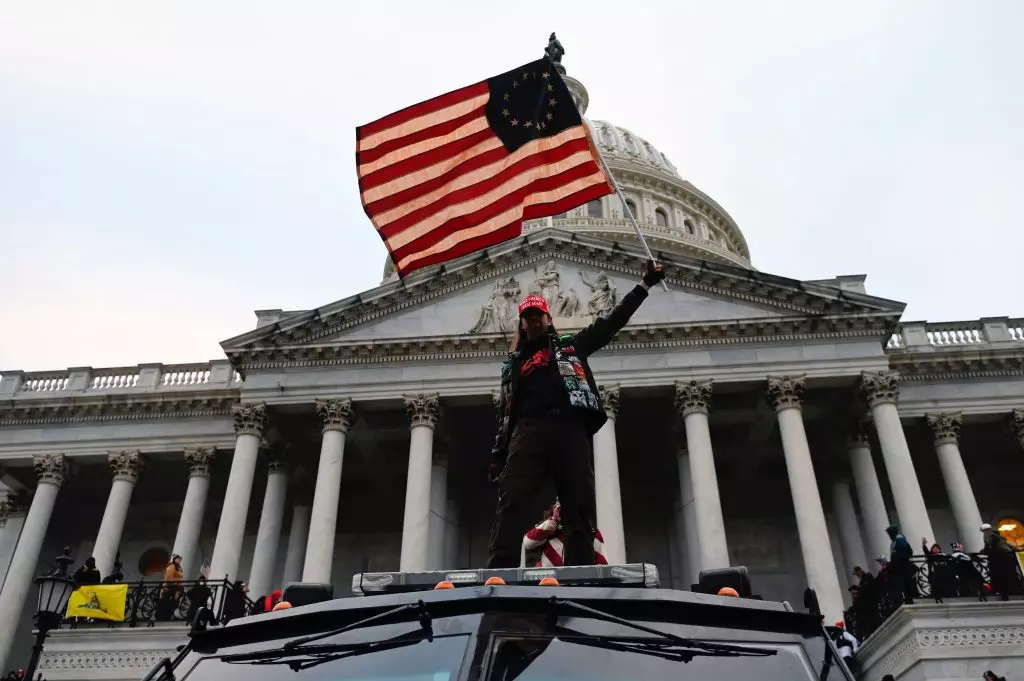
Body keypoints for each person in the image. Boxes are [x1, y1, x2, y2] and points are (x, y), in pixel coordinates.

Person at [487, 261, 666, 568]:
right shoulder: (512, 367)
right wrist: (497, 455)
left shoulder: (570, 349)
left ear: (547, 318)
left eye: (537, 316)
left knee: (578, 503)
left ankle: (581, 569)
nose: (533, 322)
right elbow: (506, 415)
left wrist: (644, 286)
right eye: (527, 317)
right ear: (521, 323)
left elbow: (611, 323)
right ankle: (499, 571)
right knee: (512, 501)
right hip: (528, 432)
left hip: (568, 427)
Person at [521, 500, 608, 568]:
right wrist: (553, 522)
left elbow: (602, 566)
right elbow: (528, 543)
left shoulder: (592, 533)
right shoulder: (549, 529)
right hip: (548, 584)